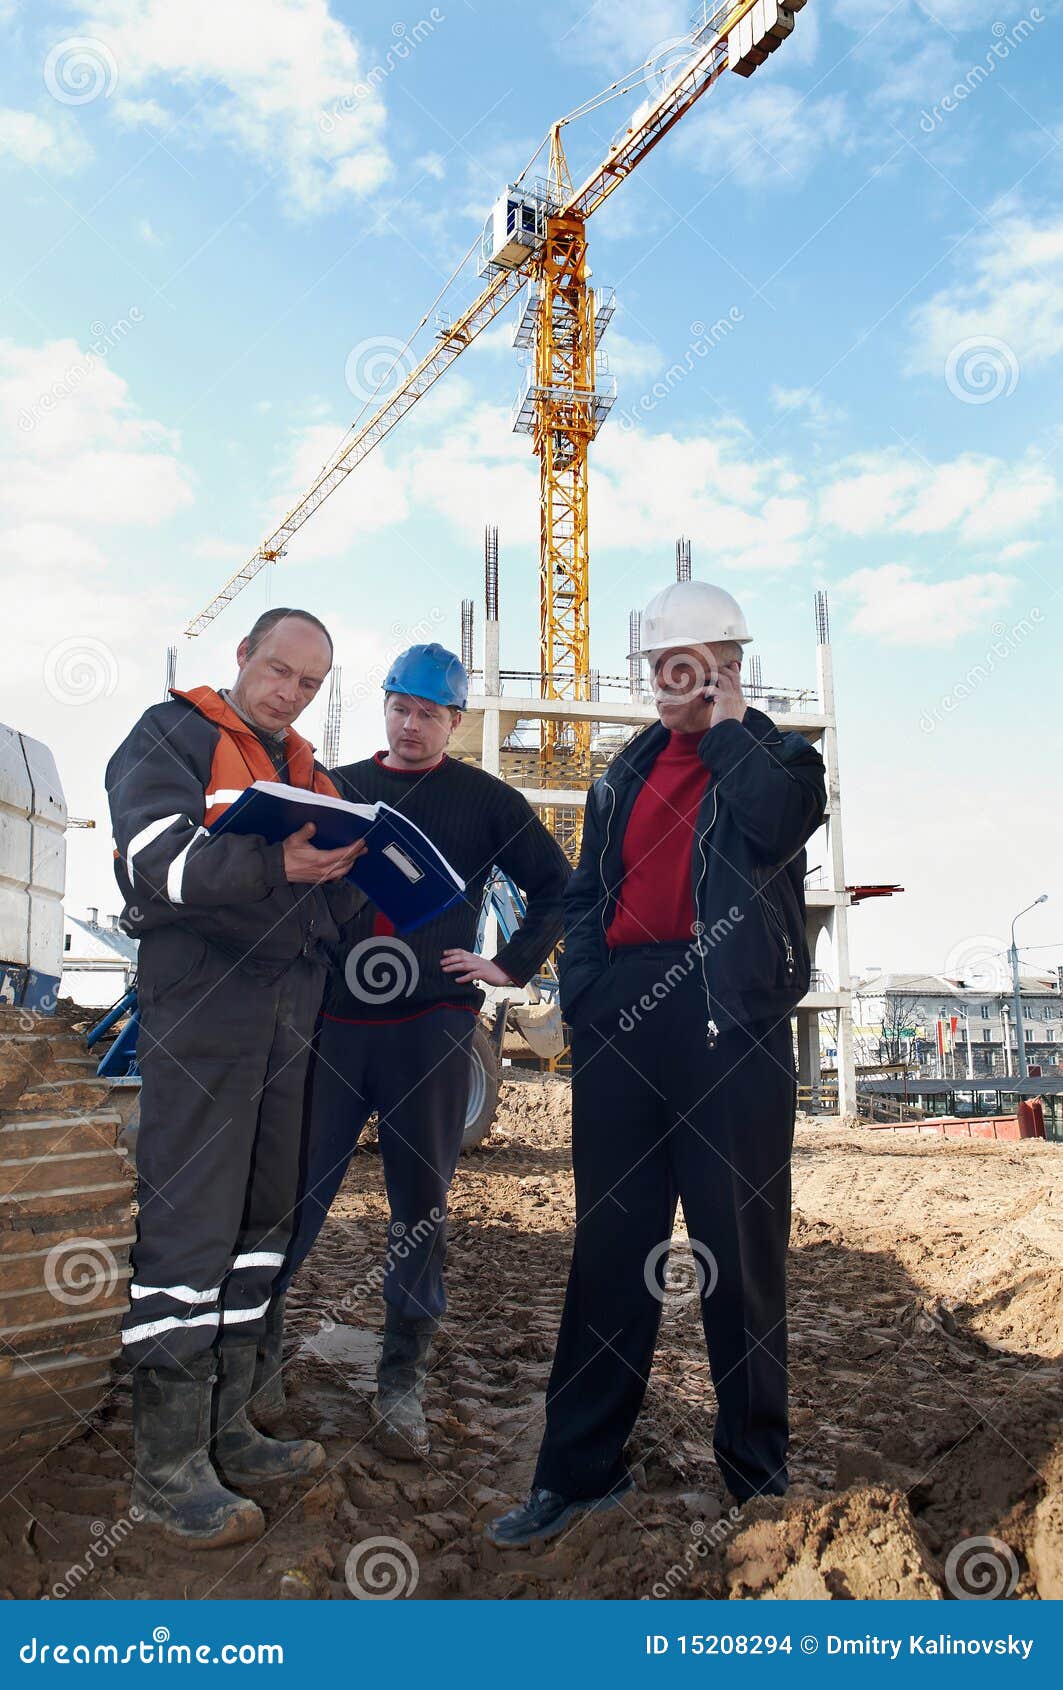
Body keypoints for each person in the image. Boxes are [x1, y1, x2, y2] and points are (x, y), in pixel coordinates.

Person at [488, 579, 827, 1547]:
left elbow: (771, 824)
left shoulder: (778, 758)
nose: (662, 683)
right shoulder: (620, 770)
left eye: (685, 665)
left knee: (740, 1257)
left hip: (731, 1026)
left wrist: (724, 724)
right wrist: (590, 996)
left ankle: (757, 1482)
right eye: (656, 666)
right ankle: (578, 1472)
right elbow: (590, 891)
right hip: (624, 1024)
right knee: (611, 1254)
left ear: (726, 663)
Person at [265, 642, 571, 1460]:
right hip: (333, 1026)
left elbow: (559, 885)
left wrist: (508, 964)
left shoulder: (487, 802)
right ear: (386, 706)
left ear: (455, 722)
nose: (410, 725)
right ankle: (256, 1362)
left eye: (428, 714)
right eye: (399, 707)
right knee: (293, 1197)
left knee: (418, 1212)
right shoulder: (337, 789)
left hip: (429, 1032)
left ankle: (401, 1380)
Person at [105, 607, 367, 1549]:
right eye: (280, 670)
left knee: (263, 1226)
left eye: (308, 684)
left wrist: (350, 869)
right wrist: (273, 861)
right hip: (204, 1009)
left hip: (291, 1014)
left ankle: (232, 1425)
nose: (289, 692)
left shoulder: (312, 774)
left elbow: (326, 895)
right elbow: (150, 863)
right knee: (190, 1230)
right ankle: (169, 1468)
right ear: (245, 656)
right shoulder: (169, 733)